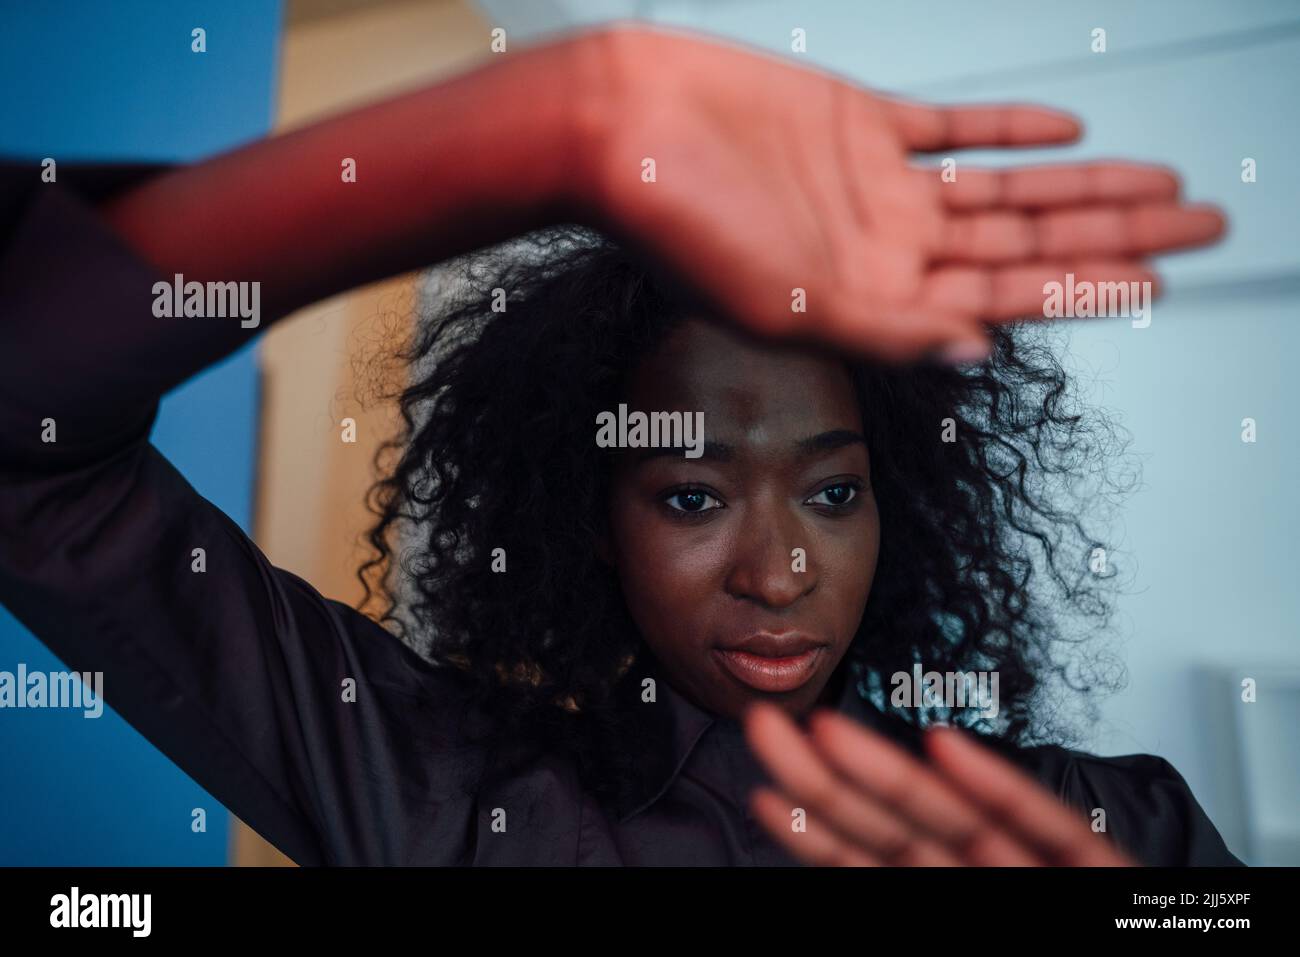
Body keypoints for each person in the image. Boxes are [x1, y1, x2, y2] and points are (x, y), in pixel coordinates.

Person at [0, 23, 1238, 865]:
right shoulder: (438, 796)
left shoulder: (1109, 825)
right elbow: (32, 434)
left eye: (834, 491)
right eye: (693, 497)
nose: (779, 573)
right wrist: (569, 121)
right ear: (586, 521)